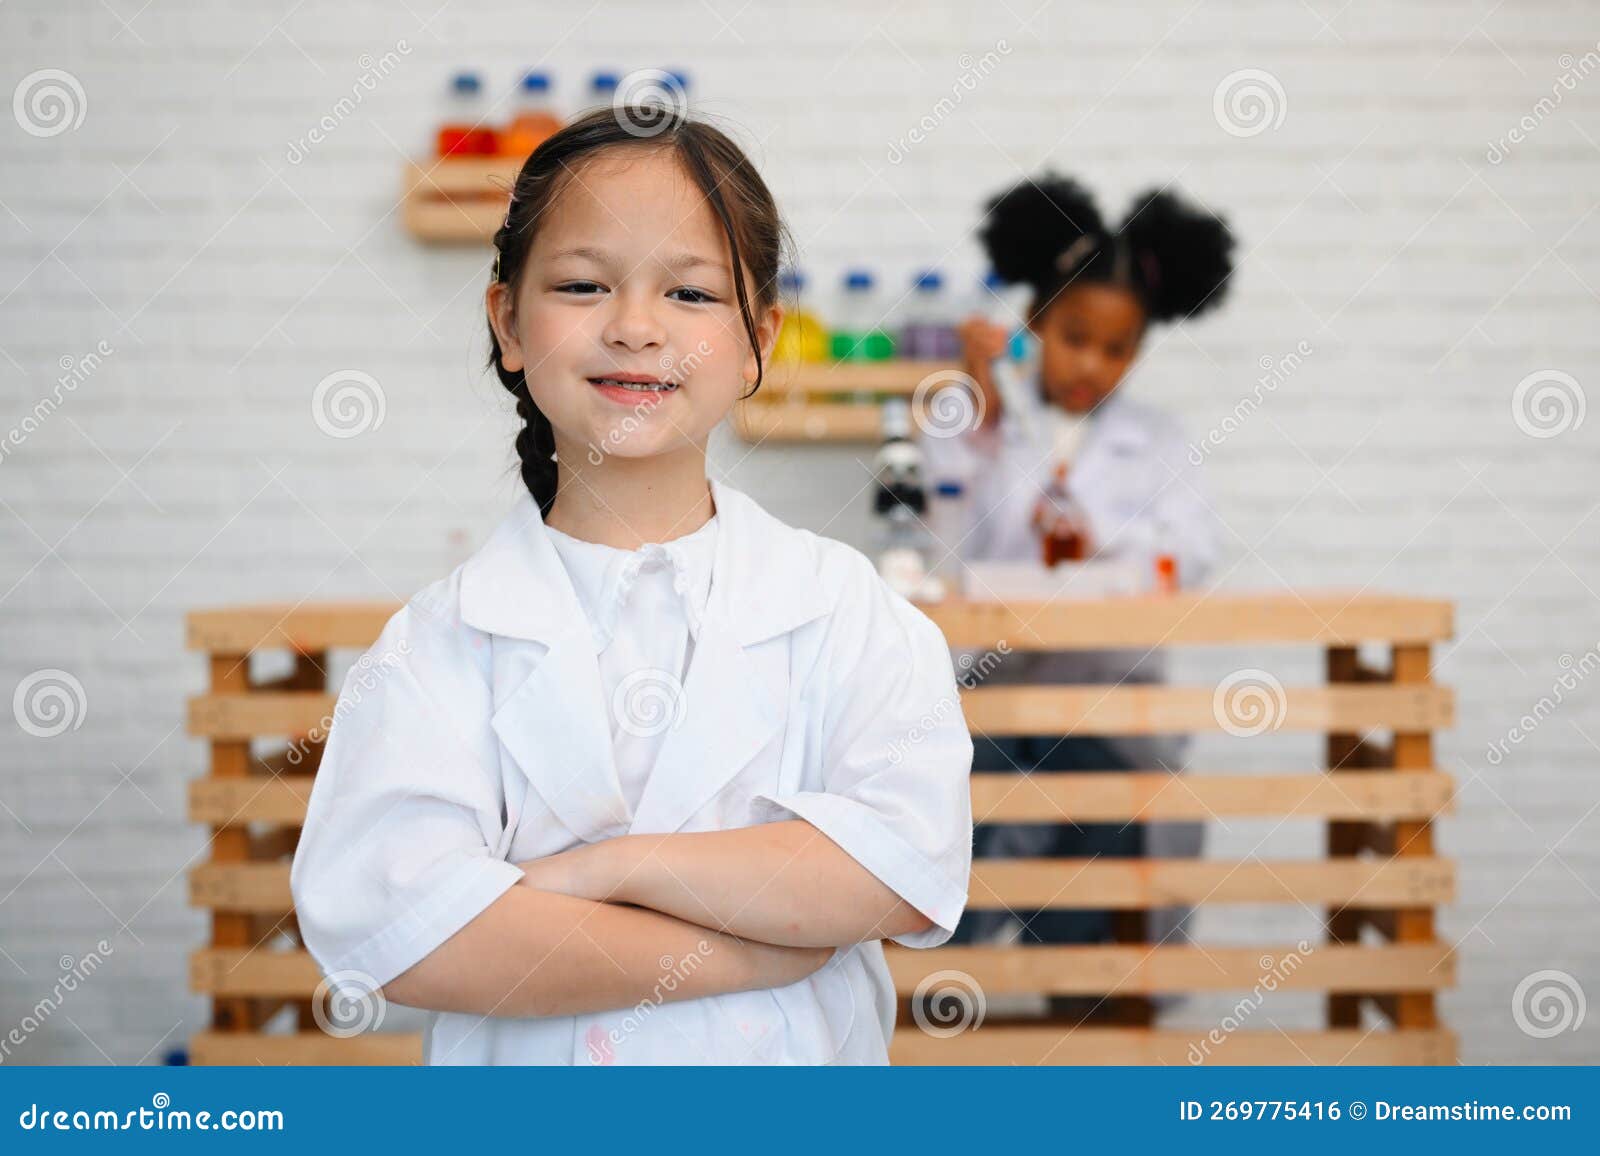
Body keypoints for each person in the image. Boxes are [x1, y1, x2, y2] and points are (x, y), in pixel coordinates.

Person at [289, 107, 974, 1065]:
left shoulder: (845, 611)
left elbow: (895, 869)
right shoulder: (439, 641)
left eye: (691, 295)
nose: (635, 327)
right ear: (509, 323)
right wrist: (748, 950)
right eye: (582, 284)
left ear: (757, 342)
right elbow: (411, 936)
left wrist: (609, 868)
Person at [921, 174, 1233, 966]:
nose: (1092, 363)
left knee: (1107, 828)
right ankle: (943, 982)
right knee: (947, 804)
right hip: (996, 686)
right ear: (1033, 323)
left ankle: (1077, 990)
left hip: (1110, 696)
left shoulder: (1158, 443)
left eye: (1116, 348)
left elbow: (1189, 552)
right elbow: (944, 506)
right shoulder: (992, 422)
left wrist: (1100, 547)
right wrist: (979, 393)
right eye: (1074, 338)